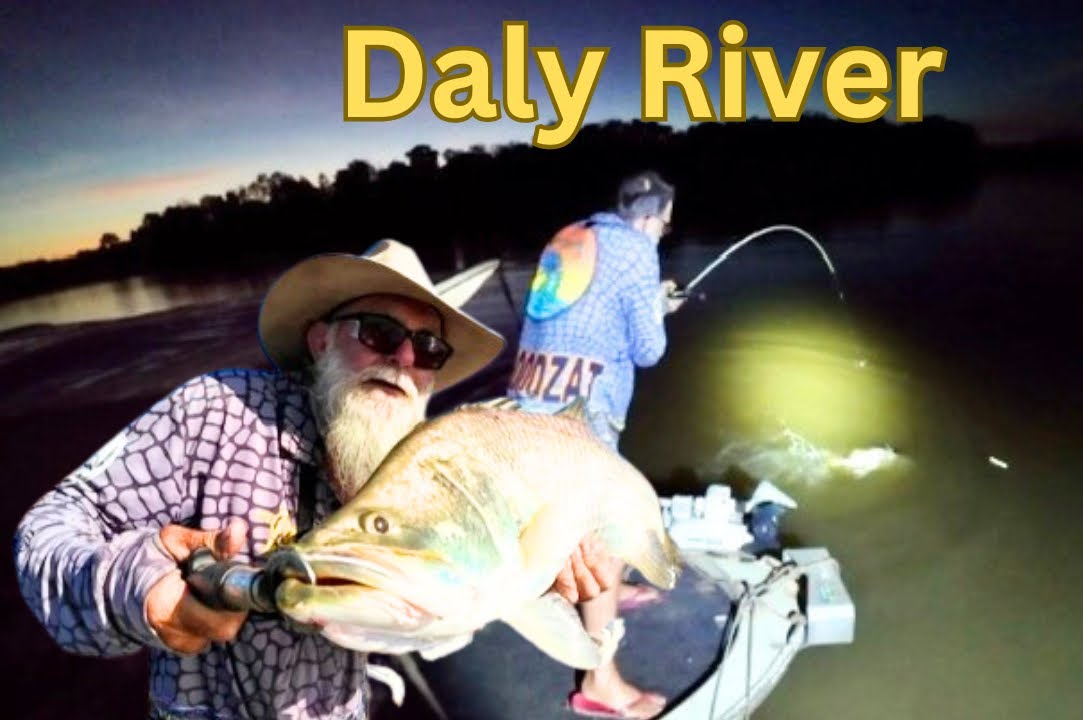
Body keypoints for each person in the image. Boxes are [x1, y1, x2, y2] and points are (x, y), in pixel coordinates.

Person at [13, 239, 619, 720]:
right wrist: (135, 585)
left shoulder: (427, 459)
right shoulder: (215, 412)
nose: (404, 360)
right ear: (321, 339)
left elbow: (443, 608)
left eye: (429, 349)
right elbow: (48, 529)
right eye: (380, 333)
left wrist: (536, 574)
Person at [506, 170, 685, 719]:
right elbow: (648, 350)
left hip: (526, 399)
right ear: (654, 218)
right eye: (666, 225)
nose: (663, 233)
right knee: (602, 537)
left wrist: (646, 300)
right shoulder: (636, 248)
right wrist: (656, 309)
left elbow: (582, 311)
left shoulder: (570, 235)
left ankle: (609, 592)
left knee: (607, 511)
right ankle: (598, 684)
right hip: (579, 411)